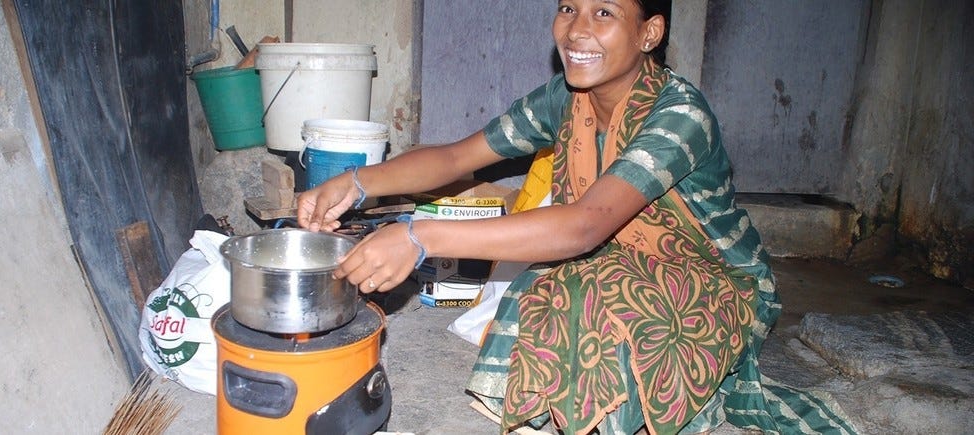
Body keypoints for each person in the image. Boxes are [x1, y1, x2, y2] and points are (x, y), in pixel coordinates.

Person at [297, 1, 857, 434]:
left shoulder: (680, 116)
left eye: (604, 13)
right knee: (549, 284)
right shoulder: (566, 98)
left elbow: (585, 225)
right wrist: (357, 182)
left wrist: (421, 236)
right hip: (617, 256)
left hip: (714, 277)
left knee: (594, 295)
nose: (576, 30)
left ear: (649, 33)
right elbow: (456, 158)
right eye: (568, 7)